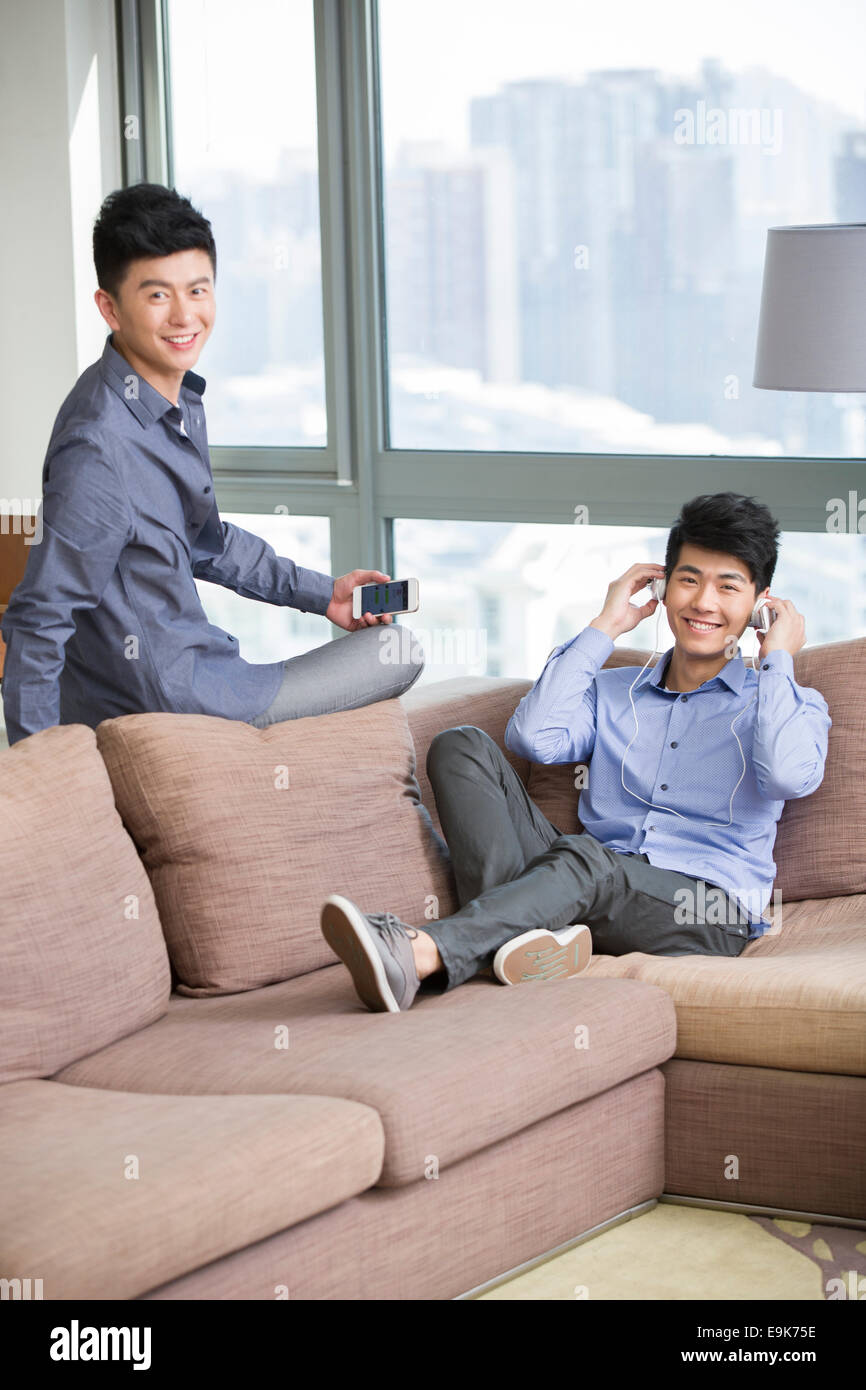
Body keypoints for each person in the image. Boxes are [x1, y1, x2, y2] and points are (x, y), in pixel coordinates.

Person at [319, 492, 832, 1012]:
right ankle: (523, 945)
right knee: (461, 746)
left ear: (761, 604)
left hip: (703, 909)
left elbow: (788, 777)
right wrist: (606, 625)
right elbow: (533, 739)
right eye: (690, 579)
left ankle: (422, 952)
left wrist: (778, 662)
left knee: (590, 861)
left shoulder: (787, 702)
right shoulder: (611, 690)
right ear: (662, 585)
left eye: (729, 587)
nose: (704, 602)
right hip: (588, 885)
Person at [0, 183, 422, 747]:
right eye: (156, 296)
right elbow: (38, 617)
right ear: (109, 307)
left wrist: (326, 595)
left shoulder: (175, 400)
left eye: (197, 289)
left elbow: (209, 543)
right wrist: (41, 773)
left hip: (202, 675)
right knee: (398, 651)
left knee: (375, 642)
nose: (184, 315)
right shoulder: (98, 446)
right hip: (187, 702)